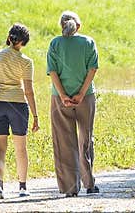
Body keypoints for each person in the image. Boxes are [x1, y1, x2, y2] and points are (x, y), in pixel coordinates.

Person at [0, 23, 39, 200]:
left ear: (9, 37)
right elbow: (28, 90)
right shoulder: (26, 62)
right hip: (18, 105)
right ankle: (22, 186)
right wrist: (35, 115)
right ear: (24, 42)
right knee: (20, 147)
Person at [47, 10, 99, 197]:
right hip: (86, 98)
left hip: (60, 100)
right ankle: (90, 183)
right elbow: (92, 69)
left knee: (64, 141)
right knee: (85, 138)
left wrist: (63, 96)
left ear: (62, 26)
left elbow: (52, 71)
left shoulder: (54, 44)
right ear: (78, 26)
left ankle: (70, 188)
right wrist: (81, 93)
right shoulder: (88, 42)